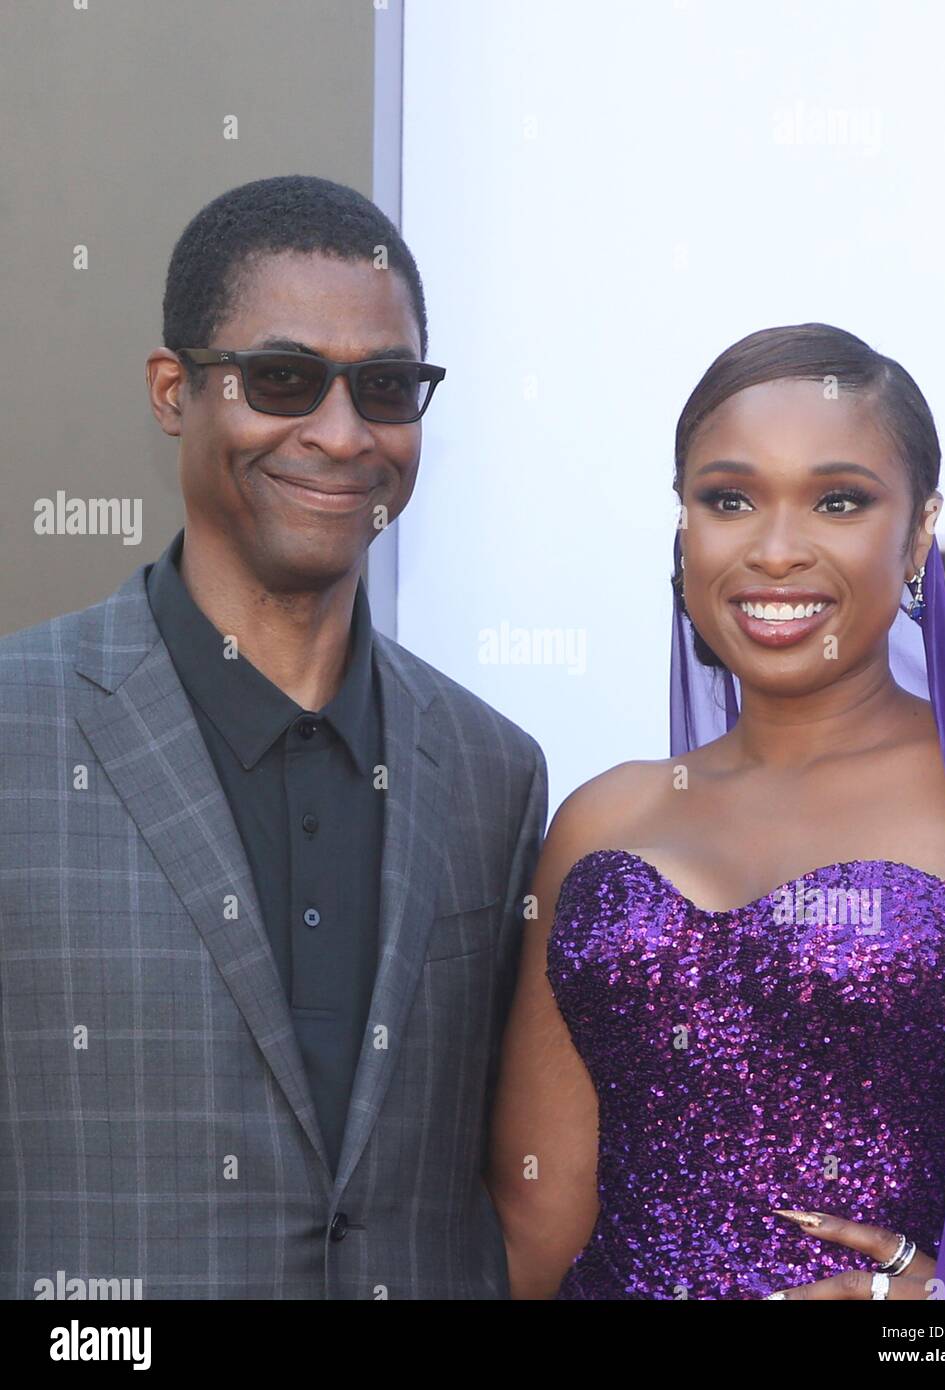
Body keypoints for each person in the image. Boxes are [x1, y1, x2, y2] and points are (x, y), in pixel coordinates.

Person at [0, 174, 546, 1300]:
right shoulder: (15, 726)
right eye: (284, 378)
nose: (342, 435)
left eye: (386, 387)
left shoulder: (494, 769)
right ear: (173, 391)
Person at [487, 323, 945, 1300]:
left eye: (837, 500)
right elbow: (530, 1222)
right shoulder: (600, 821)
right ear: (684, 526)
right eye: (728, 499)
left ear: (920, 529)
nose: (776, 549)